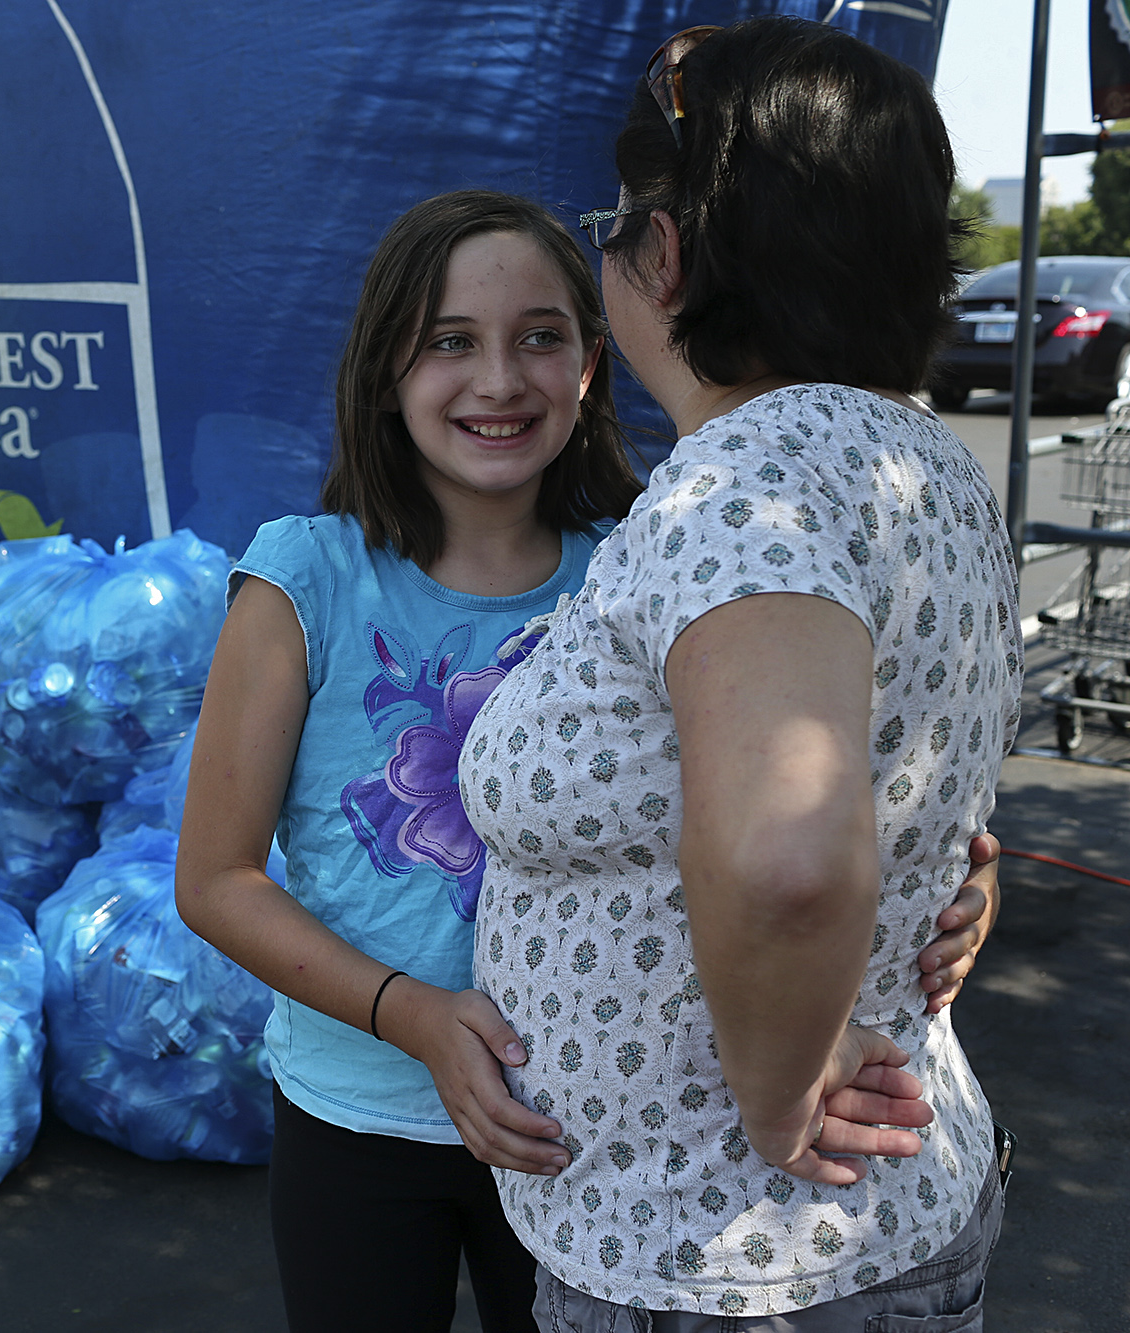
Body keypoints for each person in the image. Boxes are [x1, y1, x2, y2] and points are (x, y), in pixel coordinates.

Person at [172, 190, 1001, 1332]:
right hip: (358, 1112)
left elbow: (813, 791)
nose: (499, 379)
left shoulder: (653, 562)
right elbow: (215, 881)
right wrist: (410, 1013)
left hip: (599, 1140)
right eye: (449, 342)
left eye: (540, 337)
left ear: (593, 365)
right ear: (380, 369)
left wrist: (960, 879)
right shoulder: (299, 579)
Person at [458, 18, 1016, 1328]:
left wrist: (781, 1090)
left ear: (666, 250)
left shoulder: (748, 480)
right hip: (841, 1236)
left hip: (728, 1257)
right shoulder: (917, 462)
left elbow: (790, 853)